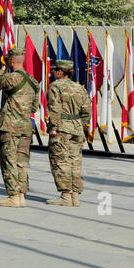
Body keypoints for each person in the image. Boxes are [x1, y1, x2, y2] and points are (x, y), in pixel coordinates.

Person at [0, 48, 38, 207]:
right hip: (25, 126)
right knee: (22, 161)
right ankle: (21, 194)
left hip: (10, 125)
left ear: (11, 61)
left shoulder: (10, 78)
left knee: (9, 160)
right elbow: (34, 107)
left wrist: (2, 70)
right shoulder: (32, 81)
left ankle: (13, 195)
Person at [45, 59, 91, 207]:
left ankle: (65, 196)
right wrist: (78, 124)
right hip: (77, 129)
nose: (53, 72)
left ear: (60, 71)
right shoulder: (80, 88)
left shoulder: (55, 86)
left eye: (54, 70)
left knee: (60, 161)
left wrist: (54, 126)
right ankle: (75, 196)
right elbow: (87, 111)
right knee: (75, 162)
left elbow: (54, 109)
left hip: (61, 129)